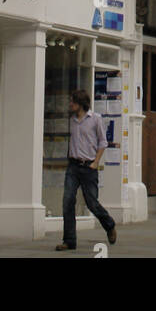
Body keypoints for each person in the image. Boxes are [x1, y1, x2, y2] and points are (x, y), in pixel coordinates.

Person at [56, 88, 117, 251]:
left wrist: (96, 162)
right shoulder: (71, 120)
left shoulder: (95, 119)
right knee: (67, 200)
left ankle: (109, 225)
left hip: (89, 166)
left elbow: (103, 142)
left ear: (80, 104)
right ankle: (69, 240)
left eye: (72, 102)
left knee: (91, 203)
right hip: (73, 166)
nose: (70, 104)